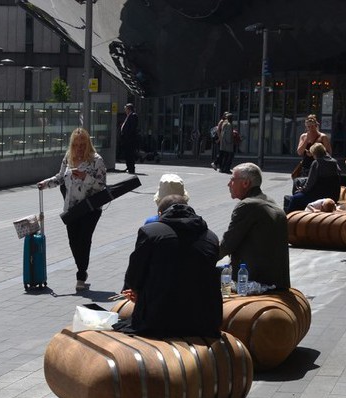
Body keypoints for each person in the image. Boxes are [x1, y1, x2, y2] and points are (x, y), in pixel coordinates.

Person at [117, 194, 221, 339]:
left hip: (159, 319)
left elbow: (134, 276)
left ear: (160, 213)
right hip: (204, 321)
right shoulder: (211, 236)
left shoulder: (150, 232)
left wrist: (136, 291)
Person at [38, 127, 107, 291]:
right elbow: (60, 178)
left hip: (90, 208)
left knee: (84, 239)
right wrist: (45, 183)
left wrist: (85, 177)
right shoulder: (68, 158)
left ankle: (81, 275)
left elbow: (102, 185)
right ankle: (82, 267)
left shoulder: (96, 160)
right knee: (73, 241)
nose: (79, 148)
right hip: (72, 207)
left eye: (82, 144)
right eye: (76, 144)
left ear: (88, 144)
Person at [219, 163, 290, 290]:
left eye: (232, 180)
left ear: (245, 183)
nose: (229, 184)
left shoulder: (247, 206)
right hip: (278, 280)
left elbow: (227, 245)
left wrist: (203, 258)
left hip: (256, 282)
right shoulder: (271, 202)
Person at [283, 142, 341, 213]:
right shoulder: (334, 162)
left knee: (295, 198)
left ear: (314, 154)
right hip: (333, 195)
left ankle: (288, 217)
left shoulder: (316, 163)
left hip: (318, 195)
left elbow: (310, 183)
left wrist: (302, 190)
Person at [294, 114, 332, 179]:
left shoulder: (323, 137)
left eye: (312, 126)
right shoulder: (303, 136)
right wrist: (307, 139)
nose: (310, 128)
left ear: (316, 125)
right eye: (308, 127)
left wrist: (315, 153)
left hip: (319, 167)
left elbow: (329, 153)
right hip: (306, 166)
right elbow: (299, 152)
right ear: (306, 127)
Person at [119, 103, 139, 174]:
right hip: (126, 139)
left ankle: (131, 168)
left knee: (130, 154)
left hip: (130, 140)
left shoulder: (133, 115)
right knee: (127, 154)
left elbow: (132, 128)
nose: (125, 110)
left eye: (126, 109)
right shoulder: (128, 116)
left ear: (129, 109)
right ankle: (129, 166)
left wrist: (127, 136)